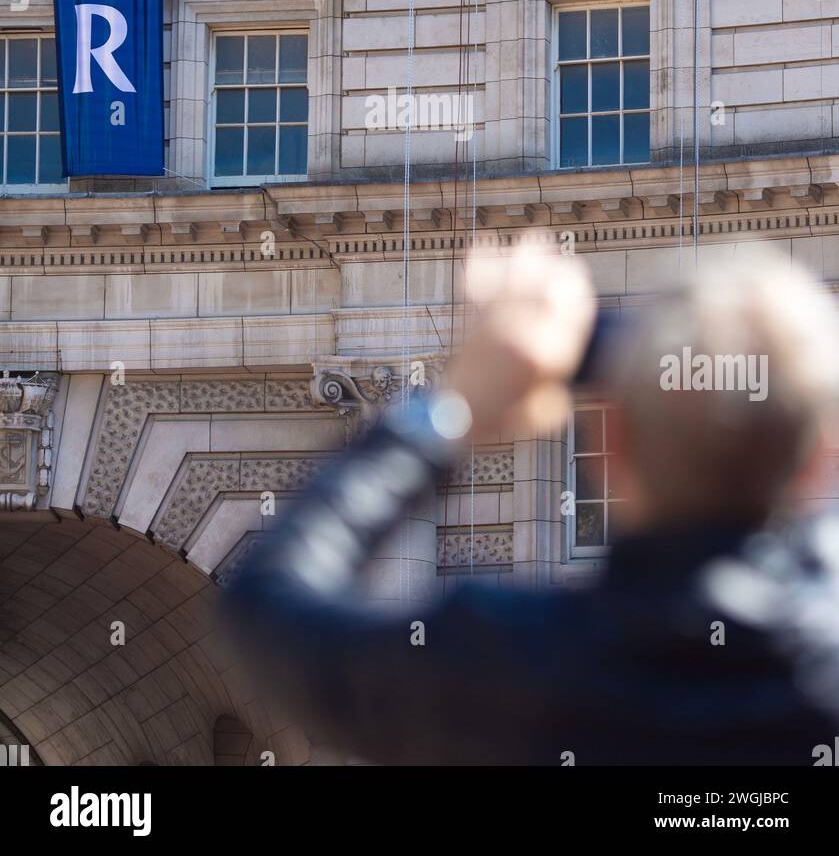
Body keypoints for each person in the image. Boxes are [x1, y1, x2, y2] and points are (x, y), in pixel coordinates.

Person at [224, 245, 839, 766]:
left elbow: (266, 610)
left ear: (608, 443)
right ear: (819, 458)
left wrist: (447, 411)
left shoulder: (505, 662)